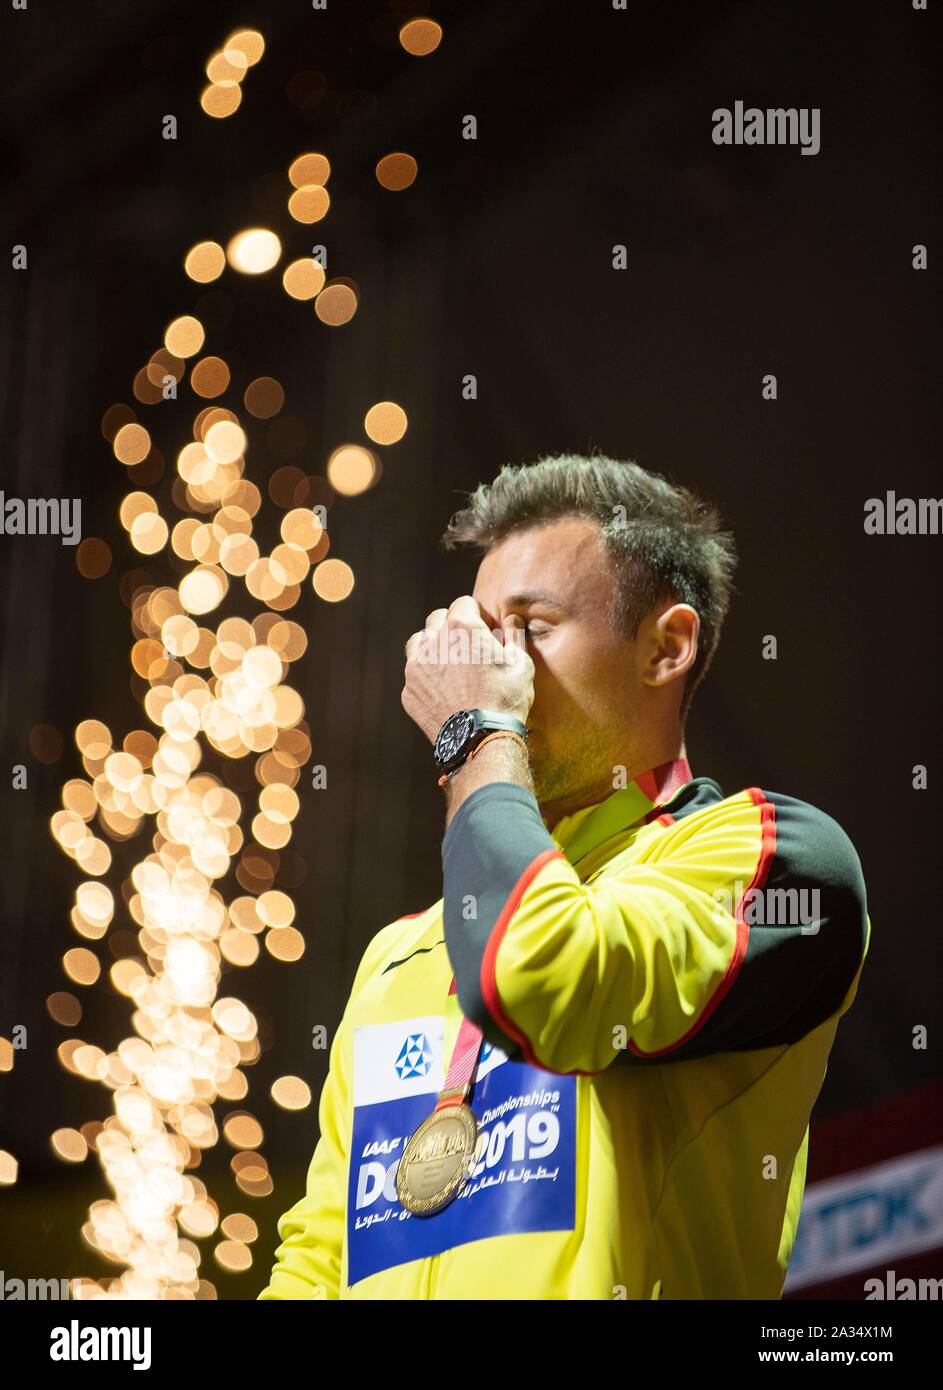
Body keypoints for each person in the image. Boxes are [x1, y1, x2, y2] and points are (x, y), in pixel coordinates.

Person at [258, 452, 870, 1300]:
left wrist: (475, 733)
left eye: (532, 627)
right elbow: (319, 1263)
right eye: (480, 635)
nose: (494, 667)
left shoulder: (772, 857)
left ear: (665, 647)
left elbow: (540, 976)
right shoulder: (398, 955)